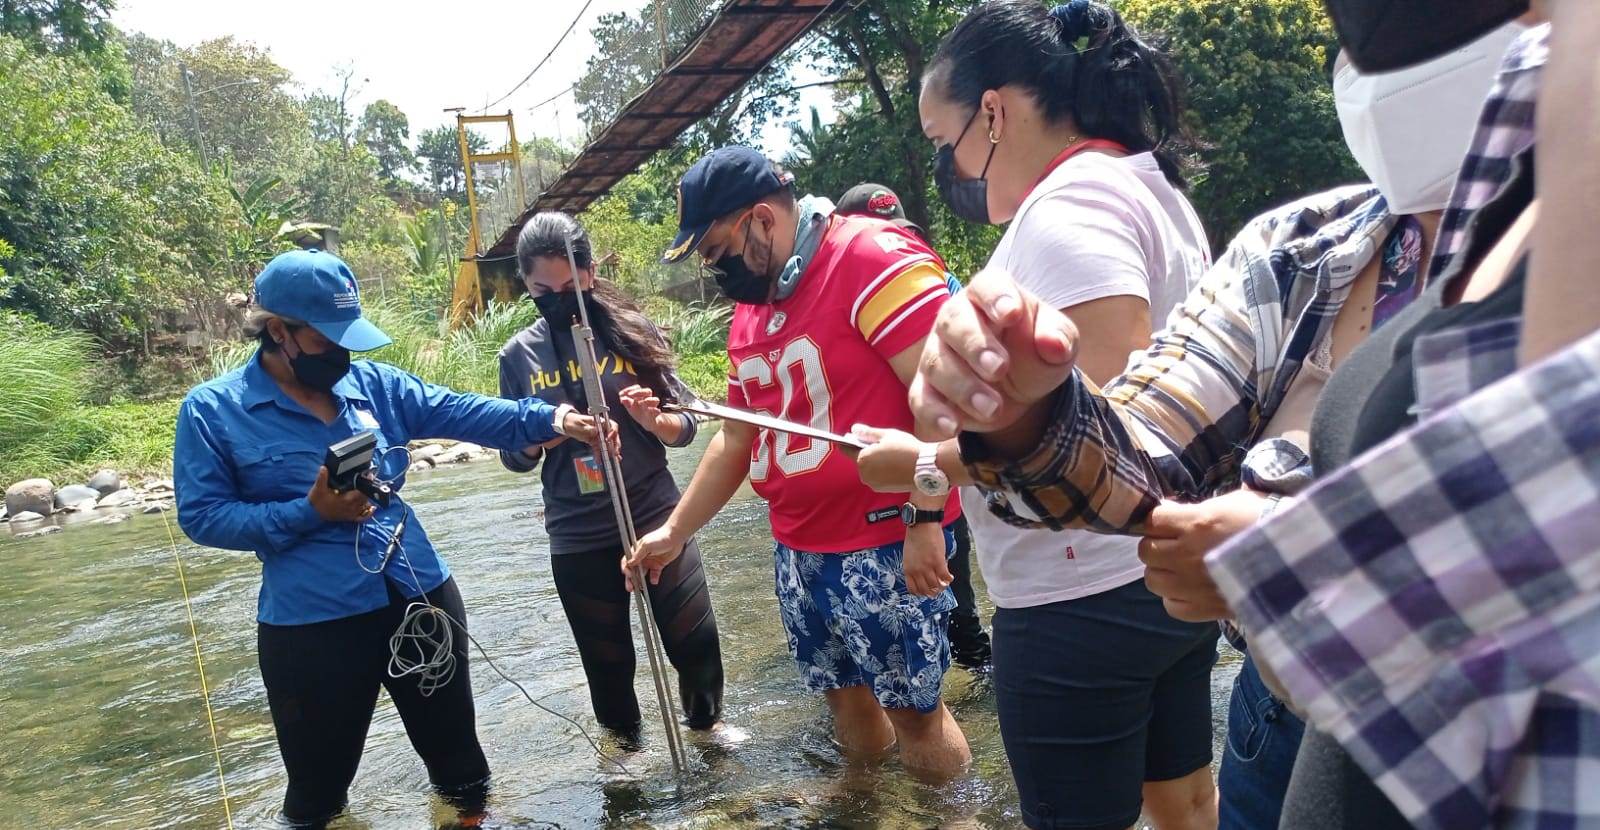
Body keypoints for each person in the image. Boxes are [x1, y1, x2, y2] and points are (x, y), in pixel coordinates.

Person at [902, 1, 1578, 824]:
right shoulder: (1299, 249)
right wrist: (1024, 417)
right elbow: (1144, 444)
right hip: (1279, 723)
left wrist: (1317, 560)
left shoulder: (1069, 210)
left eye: (946, 142)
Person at [856, 2, 1216, 827]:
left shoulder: (1067, 214)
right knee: (1188, 806)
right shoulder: (1149, 189)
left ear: (994, 110)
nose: (946, 163)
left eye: (942, 141)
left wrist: (915, 464)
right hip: (1164, 582)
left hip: (1080, 602)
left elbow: (1115, 441)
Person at [174, 249, 609, 827]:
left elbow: (462, 411)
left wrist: (553, 420)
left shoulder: (374, 386)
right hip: (312, 624)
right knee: (317, 794)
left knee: (463, 773)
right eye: (329, 339)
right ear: (279, 331)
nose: (343, 353)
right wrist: (309, 512)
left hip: (420, 599)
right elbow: (203, 516)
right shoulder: (212, 411)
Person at [625, 146, 971, 779]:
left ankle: (947, 818)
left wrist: (924, 520)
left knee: (916, 711)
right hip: (799, 548)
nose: (713, 269)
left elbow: (942, 398)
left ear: (762, 220)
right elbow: (735, 440)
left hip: (885, 537)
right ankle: (872, 807)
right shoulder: (752, 307)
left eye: (714, 251)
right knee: (844, 697)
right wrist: (674, 533)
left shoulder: (870, 260)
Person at [497, 211, 725, 741]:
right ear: (527, 286)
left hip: (655, 512)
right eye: (542, 290)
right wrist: (547, 432)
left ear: (590, 274)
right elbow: (514, 455)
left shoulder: (631, 331)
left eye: (570, 287)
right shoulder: (519, 356)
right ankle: (625, 762)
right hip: (579, 532)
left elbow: (686, 427)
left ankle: (710, 740)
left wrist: (653, 419)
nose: (558, 300)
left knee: (697, 646)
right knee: (609, 669)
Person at [836, 182, 992, 671]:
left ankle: (970, 656)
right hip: (902, 465)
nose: (897, 244)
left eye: (900, 233)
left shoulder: (929, 278)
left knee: (954, 587)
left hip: (936, 458)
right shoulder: (868, 283)